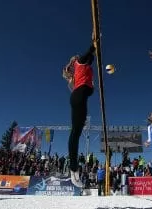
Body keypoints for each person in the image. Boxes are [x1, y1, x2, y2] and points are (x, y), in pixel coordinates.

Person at [64, 40, 96, 187]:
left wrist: (95, 48)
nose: (79, 56)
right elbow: (88, 53)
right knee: (75, 133)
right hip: (78, 97)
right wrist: (94, 42)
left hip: (79, 97)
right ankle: (73, 169)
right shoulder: (80, 62)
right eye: (77, 56)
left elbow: (92, 57)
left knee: (76, 132)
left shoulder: (84, 66)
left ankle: (74, 169)